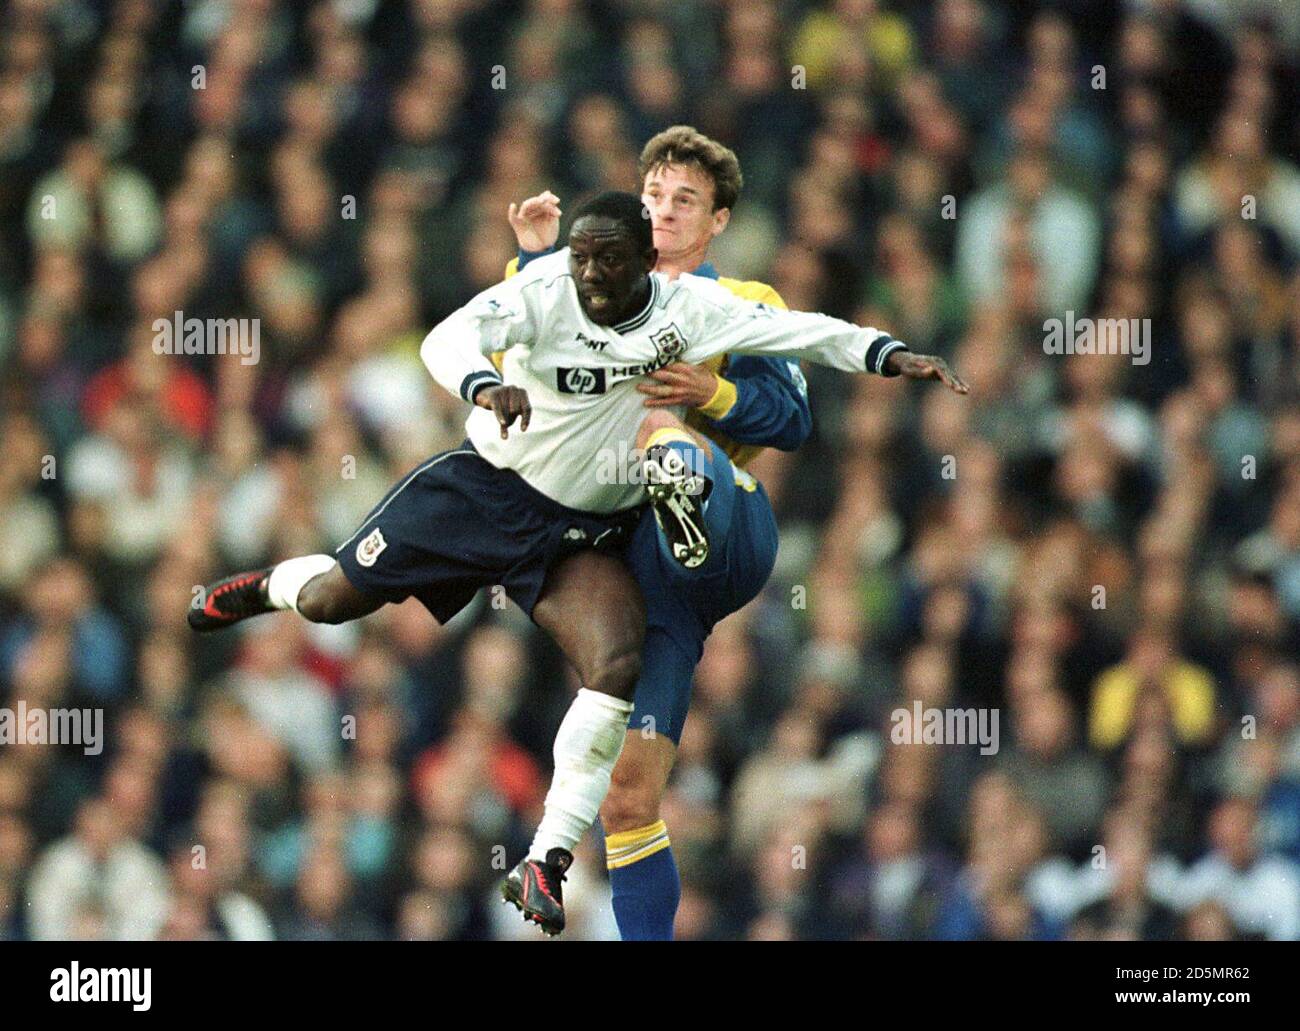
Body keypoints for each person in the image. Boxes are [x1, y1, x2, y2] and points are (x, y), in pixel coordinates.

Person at [189, 190, 965, 934]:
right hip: (482, 490)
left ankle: (544, 860)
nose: (590, 273)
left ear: (644, 262)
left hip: (574, 529)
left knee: (617, 660)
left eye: (608, 260)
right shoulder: (543, 288)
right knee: (332, 599)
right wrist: (485, 383)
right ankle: (265, 587)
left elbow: (799, 331)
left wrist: (890, 353)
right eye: (582, 256)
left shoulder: (688, 311)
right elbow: (444, 339)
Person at [503, 126, 810, 941]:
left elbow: (795, 418)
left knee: (659, 429)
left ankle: (676, 487)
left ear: (717, 223)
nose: (666, 213)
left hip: (723, 522)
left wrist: (712, 390)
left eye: (686, 201)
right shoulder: (567, 286)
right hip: (640, 577)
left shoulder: (745, 302)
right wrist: (535, 266)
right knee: (628, 795)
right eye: (654, 197)